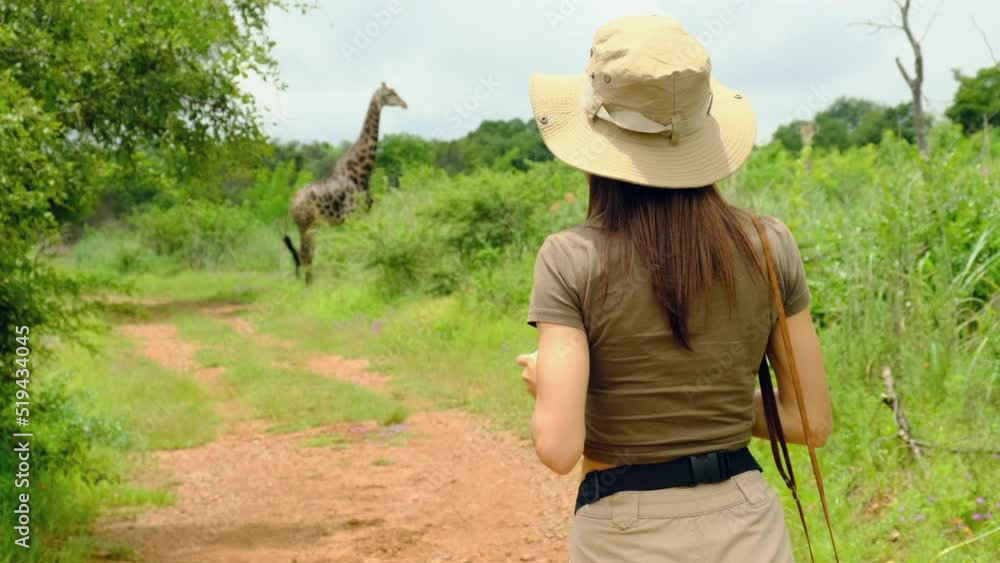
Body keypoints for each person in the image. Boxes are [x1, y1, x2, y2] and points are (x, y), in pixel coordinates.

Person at [515, 15, 833, 562]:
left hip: (624, 530)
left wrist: (552, 382)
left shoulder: (569, 258)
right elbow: (810, 419)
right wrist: (718, 403)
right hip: (749, 521)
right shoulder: (769, 244)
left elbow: (558, 447)